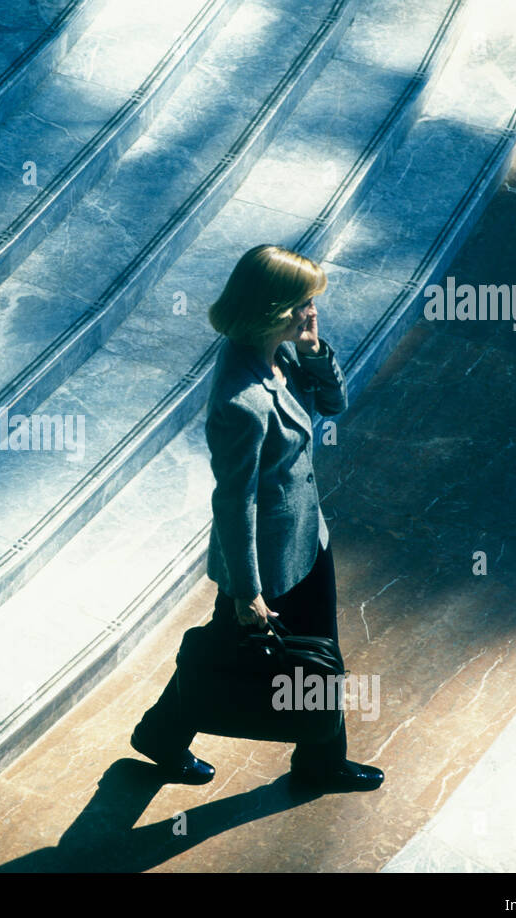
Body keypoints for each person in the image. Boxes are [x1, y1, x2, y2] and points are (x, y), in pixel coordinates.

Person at [130, 244, 384, 793]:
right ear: (271, 309)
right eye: (303, 304)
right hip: (265, 563)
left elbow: (335, 404)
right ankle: (316, 760)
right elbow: (234, 501)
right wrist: (248, 592)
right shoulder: (242, 402)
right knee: (249, 653)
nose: (311, 312)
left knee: (314, 652)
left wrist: (316, 351)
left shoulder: (282, 353)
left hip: (305, 538)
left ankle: (169, 734)